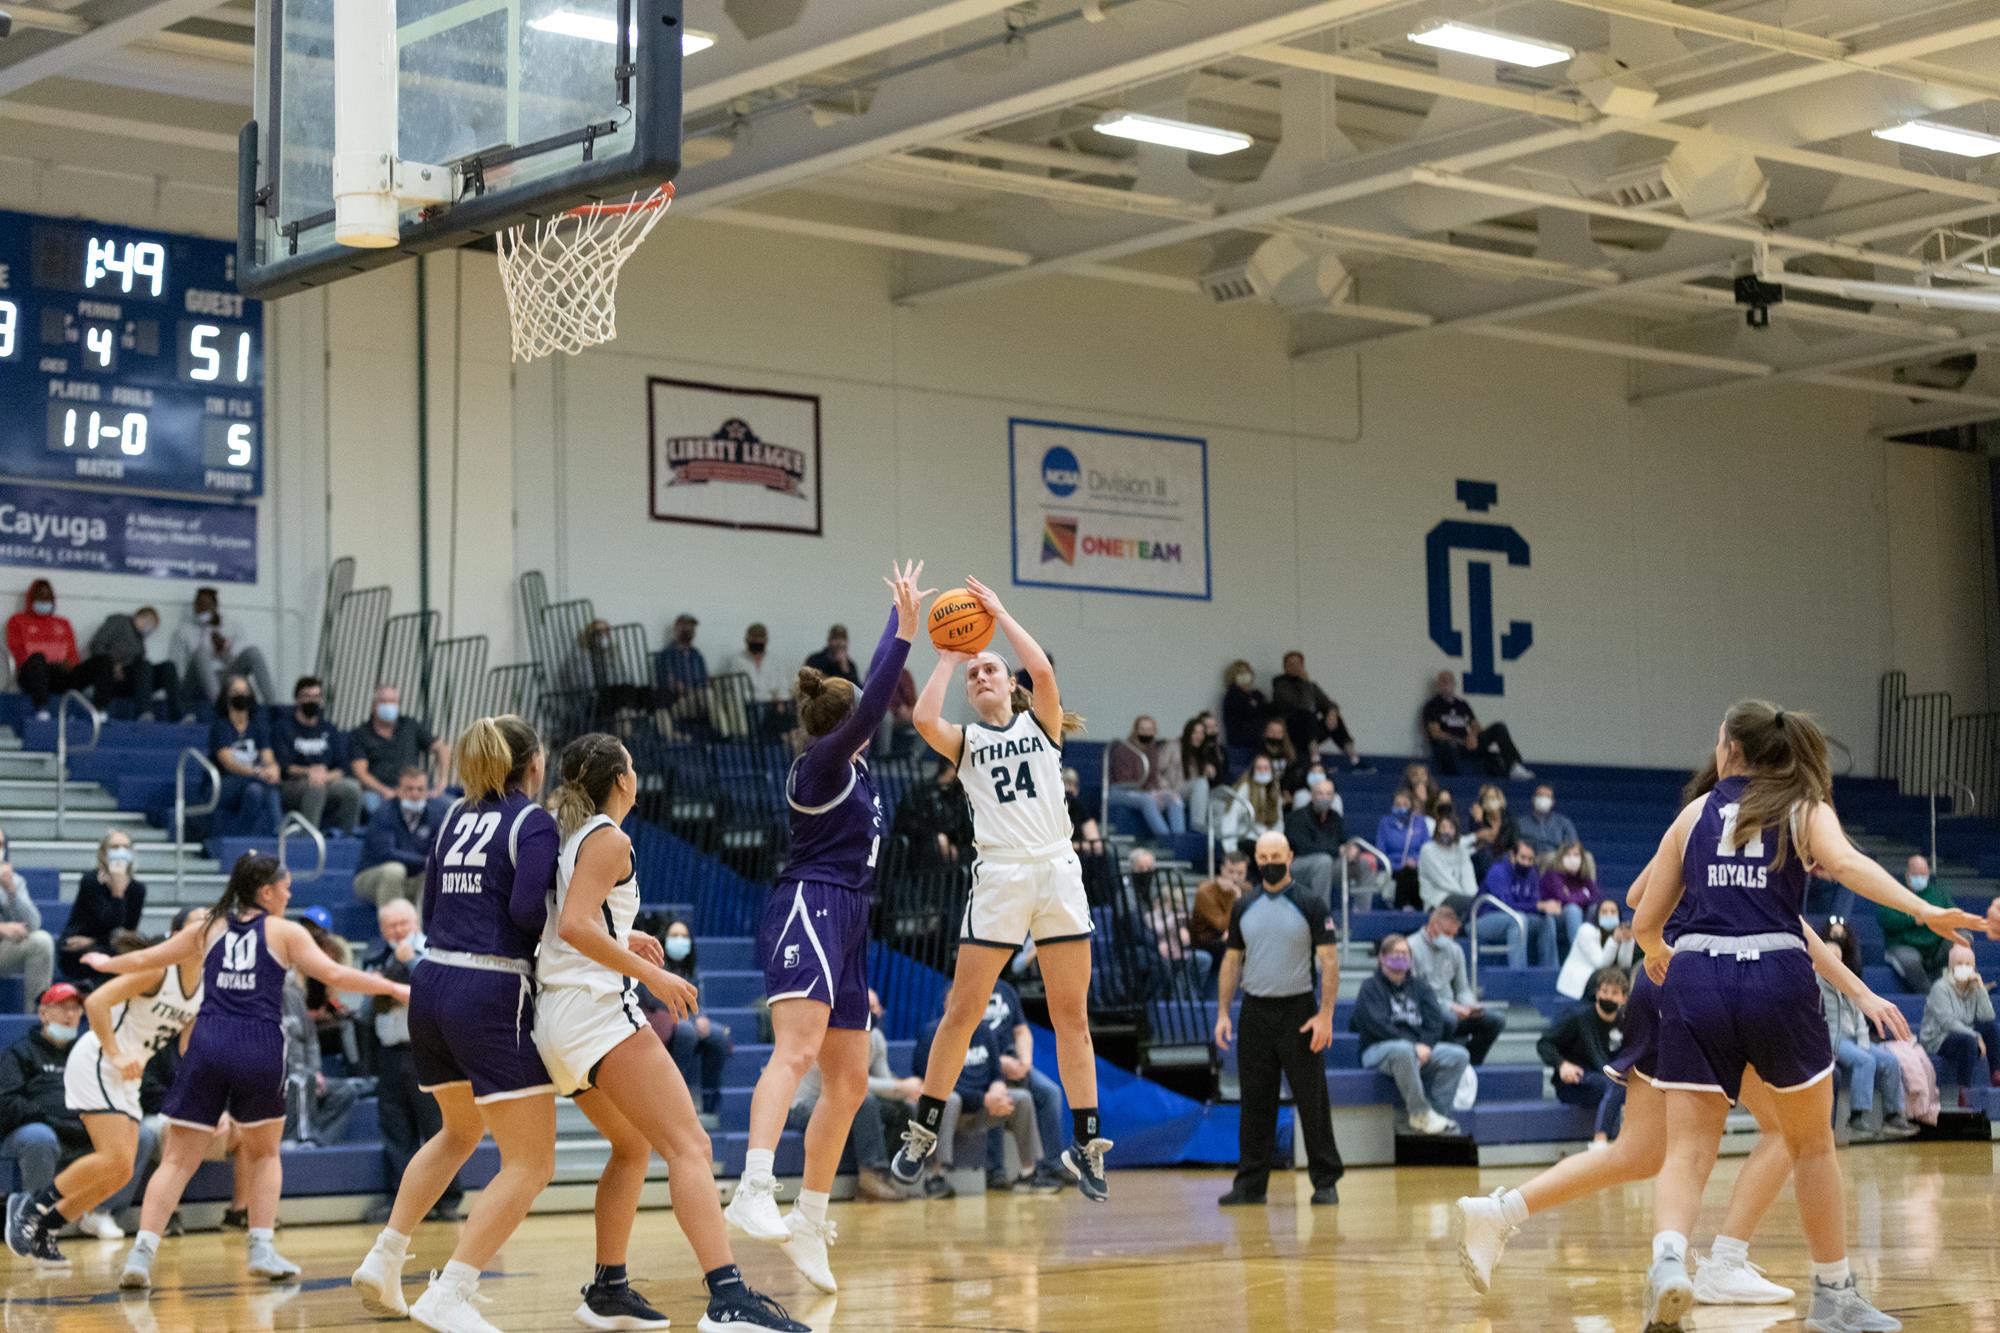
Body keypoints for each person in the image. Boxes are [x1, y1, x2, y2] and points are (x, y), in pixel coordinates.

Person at [1455, 759, 1918, 1307]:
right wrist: (1857, 990)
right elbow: (1785, 929)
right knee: (1789, 1129)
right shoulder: (1753, 834)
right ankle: (1725, 1260)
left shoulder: (1697, 824)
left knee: (1641, 1153)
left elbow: (1635, 896)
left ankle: (1500, 1213)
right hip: (1700, 981)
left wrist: (1856, 990)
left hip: (1666, 980)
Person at [1628, 702, 1981, 1331]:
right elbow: (1846, 866)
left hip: (1698, 976)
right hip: (1775, 976)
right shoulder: (1801, 805)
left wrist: (1659, 955)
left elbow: (1644, 923)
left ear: (1730, 750)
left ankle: (1668, 1262)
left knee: (1687, 1150)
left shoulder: (1692, 816)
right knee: (1811, 1144)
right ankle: (1833, 1294)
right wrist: (1925, 911)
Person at [532, 733, 808, 1332]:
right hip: (595, 1012)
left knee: (632, 1147)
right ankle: (729, 1297)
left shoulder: (565, 832)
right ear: (624, 781)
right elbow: (578, 925)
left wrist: (623, 934)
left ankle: (608, 1287)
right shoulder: (610, 839)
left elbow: (564, 922)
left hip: (556, 1019)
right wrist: (653, 974)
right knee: (692, 1147)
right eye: (631, 764)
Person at [80, 854, 406, 1290]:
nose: (290, 894)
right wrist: (392, 985)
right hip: (259, 1044)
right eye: (286, 887)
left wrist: (106, 965)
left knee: (177, 1159)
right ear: (266, 891)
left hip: (209, 1041)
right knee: (264, 1153)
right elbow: (332, 973)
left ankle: (141, 1255)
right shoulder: (284, 931)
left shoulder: (208, 927)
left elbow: (149, 957)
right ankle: (261, 1247)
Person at [349, 716, 573, 1329]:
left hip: (431, 979)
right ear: (533, 764)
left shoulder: (451, 816)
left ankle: (385, 1256)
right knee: (532, 1163)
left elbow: (430, 906)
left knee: (457, 1132)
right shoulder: (533, 821)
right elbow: (528, 911)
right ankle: (452, 1290)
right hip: (489, 985)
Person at [890, 575, 1109, 1202]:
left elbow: (1040, 668)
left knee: (1072, 1018)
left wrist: (1001, 616)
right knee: (961, 1010)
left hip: (1058, 870)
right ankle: (924, 1131)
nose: (982, 677)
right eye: (973, 676)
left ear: (1010, 684)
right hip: (1002, 873)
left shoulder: (1041, 724)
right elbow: (923, 715)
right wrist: (947, 658)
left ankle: (1088, 1146)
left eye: (990, 670)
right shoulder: (965, 742)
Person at [45, 919, 199, 1251]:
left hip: (130, 1073)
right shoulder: (158, 972)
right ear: (181, 938)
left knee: (121, 1171)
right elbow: (96, 1002)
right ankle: (31, 1209)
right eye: (199, 921)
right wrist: (115, 1054)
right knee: (112, 1157)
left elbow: (189, 1049)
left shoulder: (203, 990)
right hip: (102, 1057)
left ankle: (46, 1225)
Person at [1211, 832, 1343, 1206]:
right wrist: (1223, 1013)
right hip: (1255, 1011)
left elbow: (1329, 961)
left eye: (1277, 855)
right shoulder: (1244, 905)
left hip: (1299, 1012)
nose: (1270, 861)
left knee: (1311, 1099)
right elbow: (1231, 961)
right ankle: (1250, 1185)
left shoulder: (1311, 903)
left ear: (1290, 856)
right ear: (1256, 857)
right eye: (1264, 855)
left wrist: (1326, 1015)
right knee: (1254, 1101)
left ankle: (1325, 1181)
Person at [360, 897, 462, 1226]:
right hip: (389, 1053)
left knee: (437, 1128)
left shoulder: (433, 951)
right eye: (390, 926)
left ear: (415, 922)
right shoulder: (377, 957)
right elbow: (365, 1010)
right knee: (396, 1130)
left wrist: (409, 962)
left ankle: (447, 1200)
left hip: (426, 1051)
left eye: (403, 924)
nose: (397, 931)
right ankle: (402, 1202)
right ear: (381, 929)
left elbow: (436, 993)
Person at [911, 980, 1043, 1192]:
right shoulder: (931, 1035)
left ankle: (1029, 1172)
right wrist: (984, 1098)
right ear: (946, 1004)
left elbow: (996, 1073)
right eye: (957, 1001)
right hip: (950, 1112)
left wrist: (998, 1088)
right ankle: (936, 1176)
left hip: (983, 1110)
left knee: (1021, 1098)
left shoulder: (984, 1032)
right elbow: (931, 1086)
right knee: (949, 1100)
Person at [0, 984, 96, 1255]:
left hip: (78, 1129)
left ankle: (99, 1212)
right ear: (43, 1014)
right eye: (61, 1007)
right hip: (30, 1133)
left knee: (136, 1134)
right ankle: (31, 1214)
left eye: (75, 1008)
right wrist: (51, 1121)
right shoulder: (20, 1052)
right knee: (40, 1136)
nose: (70, 1015)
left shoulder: (86, 1053)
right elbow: (7, 1102)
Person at [1351, 933, 1466, 1135]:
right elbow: (1377, 1026)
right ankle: (1419, 1114)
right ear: (1382, 957)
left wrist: (1426, 1046)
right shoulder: (1370, 987)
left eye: (1405, 953)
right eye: (1395, 953)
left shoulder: (1421, 987)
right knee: (1403, 1050)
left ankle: (1437, 1116)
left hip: (1417, 1048)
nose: (1401, 957)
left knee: (1458, 1056)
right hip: (1378, 1050)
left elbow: (1435, 1023)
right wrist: (1414, 1047)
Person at [1819, 919, 1918, 1140]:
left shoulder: (1847, 982)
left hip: (1853, 1038)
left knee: (1890, 1060)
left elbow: (1860, 1018)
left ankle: (1893, 1116)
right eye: (1829, 959)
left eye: (1837, 959)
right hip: (1831, 1040)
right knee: (1865, 1061)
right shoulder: (1813, 983)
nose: (1834, 963)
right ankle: (1857, 1117)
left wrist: (1864, 1043)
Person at [1538, 966, 1629, 1149]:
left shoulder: (1625, 1022)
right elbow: (1544, 1043)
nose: (1608, 997)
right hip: (1575, 1082)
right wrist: (1562, 1064)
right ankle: (1599, 1141)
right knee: (1615, 1084)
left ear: (1623, 998)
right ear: (1596, 993)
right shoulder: (1577, 1017)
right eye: (1604, 991)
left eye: (1614, 993)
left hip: (1606, 1081)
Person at [1408, 905, 1505, 1065]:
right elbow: (1414, 994)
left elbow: (1462, 989)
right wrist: (1451, 1007)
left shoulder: (1455, 950)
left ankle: (1471, 1064)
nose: (1450, 939)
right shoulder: (1411, 947)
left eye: (1454, 935)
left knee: (1496, 1020)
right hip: (1426, 1012)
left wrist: (1470, 1005)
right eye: (1447, 934)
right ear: (1433, 927)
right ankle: (1448, 1064)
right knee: (1449, 1018)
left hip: (1454, 1010)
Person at [659, 917, 732, 1120]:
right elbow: (657, 1005)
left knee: (717, 1036)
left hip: (687, 1020)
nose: (679, 940)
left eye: (683, 936)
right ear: (665, 939)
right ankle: (674, 1103)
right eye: (674, 936)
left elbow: (699, 1004)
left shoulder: (693, 970)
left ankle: (710, 1104)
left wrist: (701, 1018)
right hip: (663, 1022)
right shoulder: (656, 965)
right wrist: (693, 1021)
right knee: (686, 1032)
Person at [272, 676, 362, 836]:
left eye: (316, 697)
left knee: (352, 788)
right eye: (307, 696)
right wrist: (309, 772)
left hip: (326, 780)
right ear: (297, 699)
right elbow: (284, 766)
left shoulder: (329, 729)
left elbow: (343, 766)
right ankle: (308, 841)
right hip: (292, 784)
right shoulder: (283, 728)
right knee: (316, 788)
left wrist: (326, 776)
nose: (312, 701)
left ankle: (346, 839)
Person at [6, 580, 108, 720]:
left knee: (104, 660)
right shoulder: (17, 621)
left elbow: (72, 653)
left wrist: (70, 664)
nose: (44, 600)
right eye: (40, 596)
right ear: (31, 598)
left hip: (61, 675)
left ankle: (99, 710)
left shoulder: (62, 623)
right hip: (34, 675)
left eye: (48, 597)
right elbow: (18, 653)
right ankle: (42, 709)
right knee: (37, 658)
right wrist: (49, 662)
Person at [58, 831, 146, 981]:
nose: (120, 852)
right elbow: (108, 922)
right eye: (115, 847)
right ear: (103, 853)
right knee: (110, 954)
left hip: (108, 945)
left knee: (132, 950)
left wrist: (118, 892)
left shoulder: (137, 889)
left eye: (125, 847)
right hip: (77, 946)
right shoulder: (90, 881)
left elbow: (126, 933)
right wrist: (117, 894)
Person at [353, 769, 448, 906]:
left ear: (427, 792)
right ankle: (394, 923)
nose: (415, 794)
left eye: (420, 789)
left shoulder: (435, 815)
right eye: (409, 789)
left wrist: (430, 863)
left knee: (433, 876)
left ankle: (420, 926)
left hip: (413, 876)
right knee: (394, 870)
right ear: (398, 790)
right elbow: (386, 853)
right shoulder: (383, 813)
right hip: (371, 876)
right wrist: (424, 861)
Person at [1919, 942, 2000, 1102]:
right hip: (1938, 1038)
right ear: (1951, 966)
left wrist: (1982, 990)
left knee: (1990, 1028)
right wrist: (1976, 1035)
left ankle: (1996, 1073)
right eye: (1959, 963)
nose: (1964, 967)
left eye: (1968, 964)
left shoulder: (1974, 986)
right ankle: (1964, 1091)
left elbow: (1988, 1016)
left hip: (1964, 1032)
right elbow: (1947, 1022)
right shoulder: (1940, 988)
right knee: (1968, 1040)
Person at [170, 588, 275, 710]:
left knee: (253, 652)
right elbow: (177, 667)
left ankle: (272, 707)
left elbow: (237, 665)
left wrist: (223, 651)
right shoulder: (183, 631)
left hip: (223, 678)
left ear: (215, 607)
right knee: (201, 653)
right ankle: (221, 709)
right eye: (198, 604)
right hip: (194, 682)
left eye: (206, 605)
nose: (201, 609)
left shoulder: (231, 627)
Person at [348, 685, 449, 810]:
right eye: (383, 701)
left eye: (392, 701)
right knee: (374, 807)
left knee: (448, 808)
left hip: (414, 790)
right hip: (379, 792)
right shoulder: (361, 734)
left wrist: (442, 783)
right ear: (374, 705)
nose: (388, 705)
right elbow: (360, 773)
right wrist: (385, 791)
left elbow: (441, 748)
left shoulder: (410, 726)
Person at [1421, 670, 1533, 780]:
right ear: (1438, 685)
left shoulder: (1462, 705)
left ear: (1454, 684)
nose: (1446, 684)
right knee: (1446, 746)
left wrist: (1473, 736)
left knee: (1499, 727)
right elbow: (1435, 733)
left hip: (1470, 744)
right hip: (1453, 746)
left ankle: (1515, 767)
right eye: (1443, 681)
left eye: (1449, 681)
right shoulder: (1432, 706)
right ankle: (1459, 782)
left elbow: (1476, 726)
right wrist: (1461, 740)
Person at [208, 676, 282, 839]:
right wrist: (258, 772)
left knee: (256, 791)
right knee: (260, 783)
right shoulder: (221, 726)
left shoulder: (257, 726)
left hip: (254, 782)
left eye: (245, 692)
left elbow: (268, 757)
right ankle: (279, 828)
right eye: (236, 692)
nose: (241, 695)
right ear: (226, 697)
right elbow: (228, 762)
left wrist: (272, 769)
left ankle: (241, 836)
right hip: (224, 783)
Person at [1271, 651, 1365, 769]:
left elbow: (1326, 702)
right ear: (1285, 667)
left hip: (1311, 731)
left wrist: (1332, 711)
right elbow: (1302, 706)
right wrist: (1304, 683)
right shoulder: (1280, 684)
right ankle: (1315, 759)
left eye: (1298, 664)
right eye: (1291, 664)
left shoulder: (1311, 685)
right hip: (1291, 731)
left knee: (1334, 719)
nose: (1295, 667)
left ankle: (1354, 759)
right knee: (1307, 715)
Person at [1877, 854, 1955, 993]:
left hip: (1935, 949)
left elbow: (1952, 916)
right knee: (1910, 959)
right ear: (1908, 874)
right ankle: (1929, 995)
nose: (1920, 878)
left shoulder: (1939, 893)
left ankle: (1968, 992)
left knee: (1963, 938)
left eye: (1924, 874)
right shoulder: (1893, 891)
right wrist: (1914, 919)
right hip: (1903, 946)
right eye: (1916, 874)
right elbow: (1885, 919)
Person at [1477, 841, 1558, 969]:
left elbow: (1533, 901)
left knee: (1546, 921)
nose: (1526, 863)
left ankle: (1550, 971)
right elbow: (1505, 905)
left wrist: (1546, 907)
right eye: (1523, 858)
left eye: (1530, 859)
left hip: (1516, 918)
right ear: (1513, 857)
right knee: (1518, 919)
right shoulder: (1498, 871)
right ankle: (1518, 973)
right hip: (1483, 919)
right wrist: (1538, 906)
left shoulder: (1532, 874)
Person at [88, 606, 177, 720]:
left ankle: (177, 715)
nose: (149, 628)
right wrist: (112, 666)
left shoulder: (140, 643)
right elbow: (97, 644)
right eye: (150, 623)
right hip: (110, 677)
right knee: (145, 665)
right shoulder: (119, 621)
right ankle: (145, 712)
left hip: (130, 679)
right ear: (141, 616)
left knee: (168, 667)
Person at [1107, 716, 1187, 840]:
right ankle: (1166, 840)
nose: (1146, 733)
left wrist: (1157, 792)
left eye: (1150, 730)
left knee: (1174, 798)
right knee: (1148, 800)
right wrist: (1151, 793)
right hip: (1119, 791)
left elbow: (1153, 778)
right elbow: (1125, 781)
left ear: (1154, 732)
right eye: (1143, 729)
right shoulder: (1123, 749)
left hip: (1145, 791)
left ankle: (1180, 840)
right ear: (1136, 731)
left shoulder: (1152, 750)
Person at [0, 831, 55, 1010]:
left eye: (0, 845)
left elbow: (33, 924)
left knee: (42, 941)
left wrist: (12, 892)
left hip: (3, 951)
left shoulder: (14, 880)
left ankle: (37, 1019)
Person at [892, 758, 975, 870]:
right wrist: (935, 836)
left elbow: (964, 827)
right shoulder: (922, 790)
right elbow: (905, 823)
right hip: (921, 847)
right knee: (932, 848)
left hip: (952, 851)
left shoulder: (958, 795)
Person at [1556, 899, 1638, 1000]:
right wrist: (1614, 940)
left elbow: (1625, 965)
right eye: (1604, 912)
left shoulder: (1621, 930)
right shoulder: (1586, 930)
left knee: (1630, 973)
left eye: (1613, 912)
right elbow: (1601, 964)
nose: (1609, 915)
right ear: (1597, 915)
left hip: (1608, 975)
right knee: (1604, 975)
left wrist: (1628, 942)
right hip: (1585, 978)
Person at [1283, 777, 1345, 903]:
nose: (1324, 798)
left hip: (1328, 863)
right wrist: (1334, 849)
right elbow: (1303, 847)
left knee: (1363, 863)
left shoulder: (1335, 817)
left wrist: (1351, 851)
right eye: (1320, 793)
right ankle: (1321, 916)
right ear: (1312, 795)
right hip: (1296, 865)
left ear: (1333, 797)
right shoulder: (1297, 817)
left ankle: (1362, 912)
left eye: (1328, 794)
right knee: (1324, 860)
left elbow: (1343, 841)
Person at [1216, 755, 1285, 856]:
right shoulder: (1245, 788)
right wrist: (1230, 849)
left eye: (1266, 768)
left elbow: (1278, 822)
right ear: (1253, 771)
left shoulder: (1274, 790)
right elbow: (1231, 817)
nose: (1263, 771)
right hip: (1246, 838)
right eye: (1259, 768)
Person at [1375, 787, 1431, 910]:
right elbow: (1380, 854)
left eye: (1405, 804)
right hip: (1392, 869)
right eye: (1397, 804)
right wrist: (1398, 865)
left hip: (1416, 868)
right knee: (1406, 875)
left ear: (1411, 806)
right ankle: (1409, 908)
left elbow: (1428, 850)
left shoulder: (1420, 822)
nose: (1401, 807)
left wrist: (1415, 861)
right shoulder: (1384, 823)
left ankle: (1404, 908)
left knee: (1410, 874)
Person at [1191, 852, 1249, 965]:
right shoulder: (1206, 892)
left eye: (1240, 873)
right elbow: (1222, 925)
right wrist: (1236, 898)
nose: (1235, 877)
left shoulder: (1246, 889)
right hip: (1207, 941)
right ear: (1222, 869)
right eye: (1231, 871)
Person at [1539, 841, 1598, 953]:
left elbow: (1595, 896)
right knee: (1573, 909)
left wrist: (1574, 896)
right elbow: (1564, 899)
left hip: (1579, 915)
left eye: (1576, 855)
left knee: (1594, 909)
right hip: (1554, 917)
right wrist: (1583, 894)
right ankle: (1579, 953)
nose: (1572, 859)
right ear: (1561, 857)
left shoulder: (1584, 876)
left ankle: (1594, 951)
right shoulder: (1552, 875)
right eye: (1568, 855)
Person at [1416, 813, 1477, 915]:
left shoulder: (1460, 850)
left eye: (1451, 828)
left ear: (1456, 831)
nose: (1447, 831)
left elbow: (1469, 878)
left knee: (1480, 904)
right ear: (1437, 830)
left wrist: (1475, 898)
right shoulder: (1428, 850)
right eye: (1443, 827)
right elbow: (1444, 881)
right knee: (1473, 905)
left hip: (1462, 898)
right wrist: (1471, 901)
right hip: (1437, 901)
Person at [1179, 715, 1223, 831]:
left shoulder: (1201, 753)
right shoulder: (1174, 747)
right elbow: (1158, 771)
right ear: (1188, 733)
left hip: (1193, 794)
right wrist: (1165, 789)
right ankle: (1198, 827)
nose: (1199, 736)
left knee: (1219, 806)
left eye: (1202, 733)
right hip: (1174, 790)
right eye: (1195, 733)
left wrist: (1208, 772)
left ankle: (1215, 838)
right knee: (1201, 783)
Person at [1468, 784, 1517, 879]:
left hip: (1503, 857)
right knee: (1485, 855)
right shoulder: (1478, 820)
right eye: (1488, 798)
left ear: (1500, 799)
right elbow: (1477, 841)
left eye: (1494, 797)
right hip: (1484, 858)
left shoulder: (1509, 819)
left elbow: (1513, 842)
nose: (1491, 801)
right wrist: (1479, 820)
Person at [1519, 784, 1578, 859]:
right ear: (1533, 799)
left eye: (1547, 797)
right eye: (1540, 796)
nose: (1543, 799)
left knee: (1587, 857)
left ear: (1553, 802)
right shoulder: (1520, 823)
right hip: (1530, 859)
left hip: (1557, 861)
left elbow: (1573, 845)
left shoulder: (1564, 823)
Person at [1220, 660, 1268, 749]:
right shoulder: (1232, 695)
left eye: (1247, 672)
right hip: (1240, 744)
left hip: (1258, 743)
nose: (1245, 675)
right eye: (1240, 673)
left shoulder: (1257, 695)